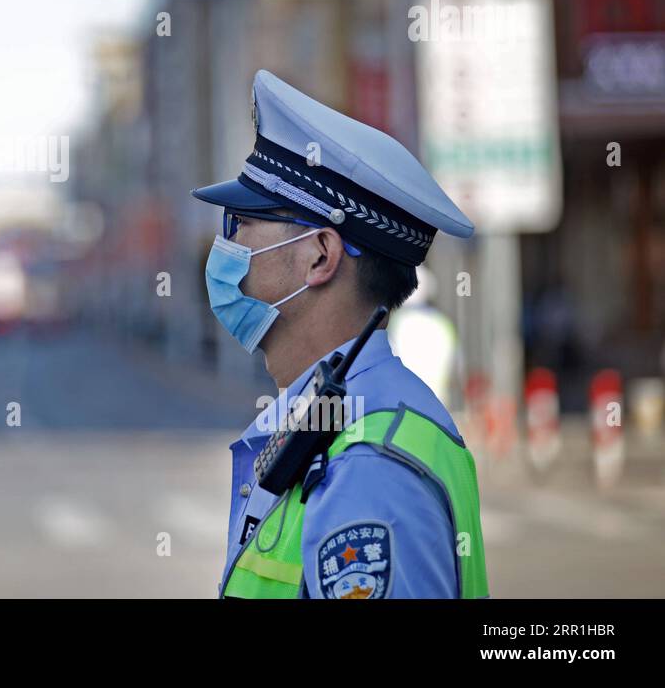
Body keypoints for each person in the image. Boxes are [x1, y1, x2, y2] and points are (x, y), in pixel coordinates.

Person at [193, 70, 488, 599]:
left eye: (240, 225)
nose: (224, 247)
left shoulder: (367, 468)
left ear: (320, 257)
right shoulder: (326, 418)